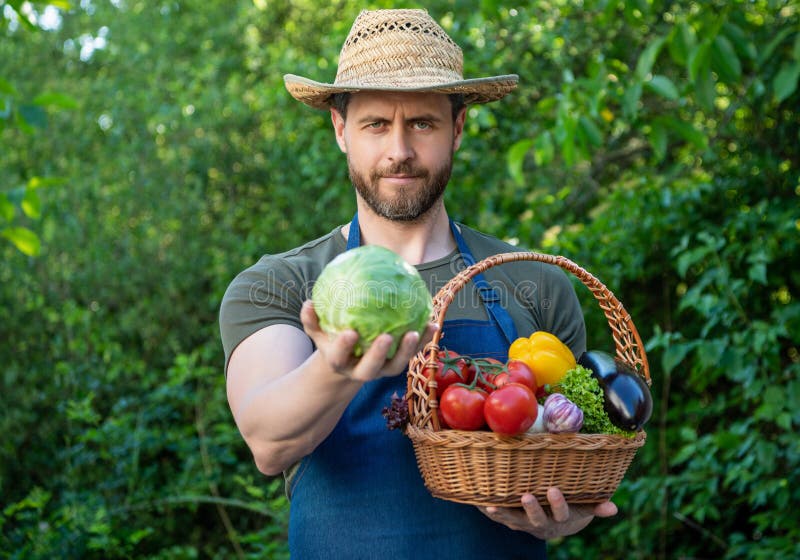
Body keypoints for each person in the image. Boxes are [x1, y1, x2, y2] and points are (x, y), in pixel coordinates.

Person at [220, 8, 618, 559]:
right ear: (341, 130)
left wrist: (562, 517)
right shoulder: (282, 284)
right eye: (376, 124)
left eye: (423, 124)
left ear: (457, 129)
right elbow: (268, 440)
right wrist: (336, 367)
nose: (399, 151)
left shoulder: (535, 280)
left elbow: (571, 447)